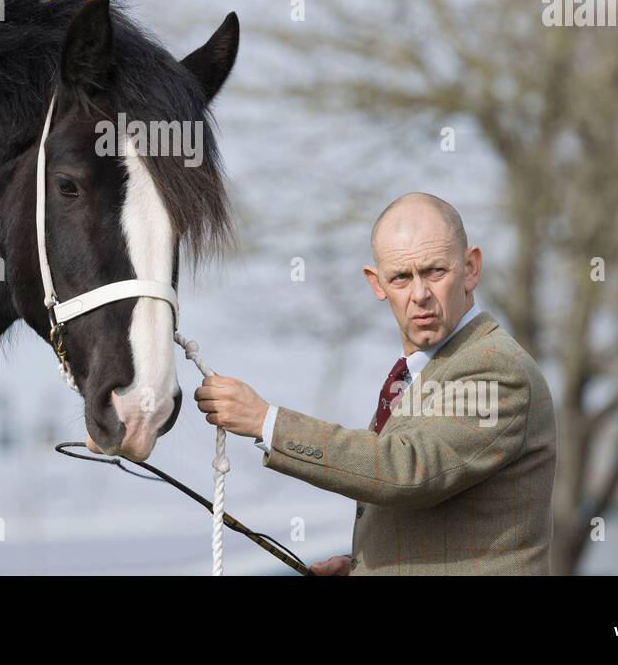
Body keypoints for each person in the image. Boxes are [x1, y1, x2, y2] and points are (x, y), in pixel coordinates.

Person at [194, 192, 557, 574]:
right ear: (376, 283)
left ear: (470, 268)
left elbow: (409, 471)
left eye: (435, 271)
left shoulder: (496, 368)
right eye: (401, 277)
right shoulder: (420, 372)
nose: (420, 295)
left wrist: (266, 422)